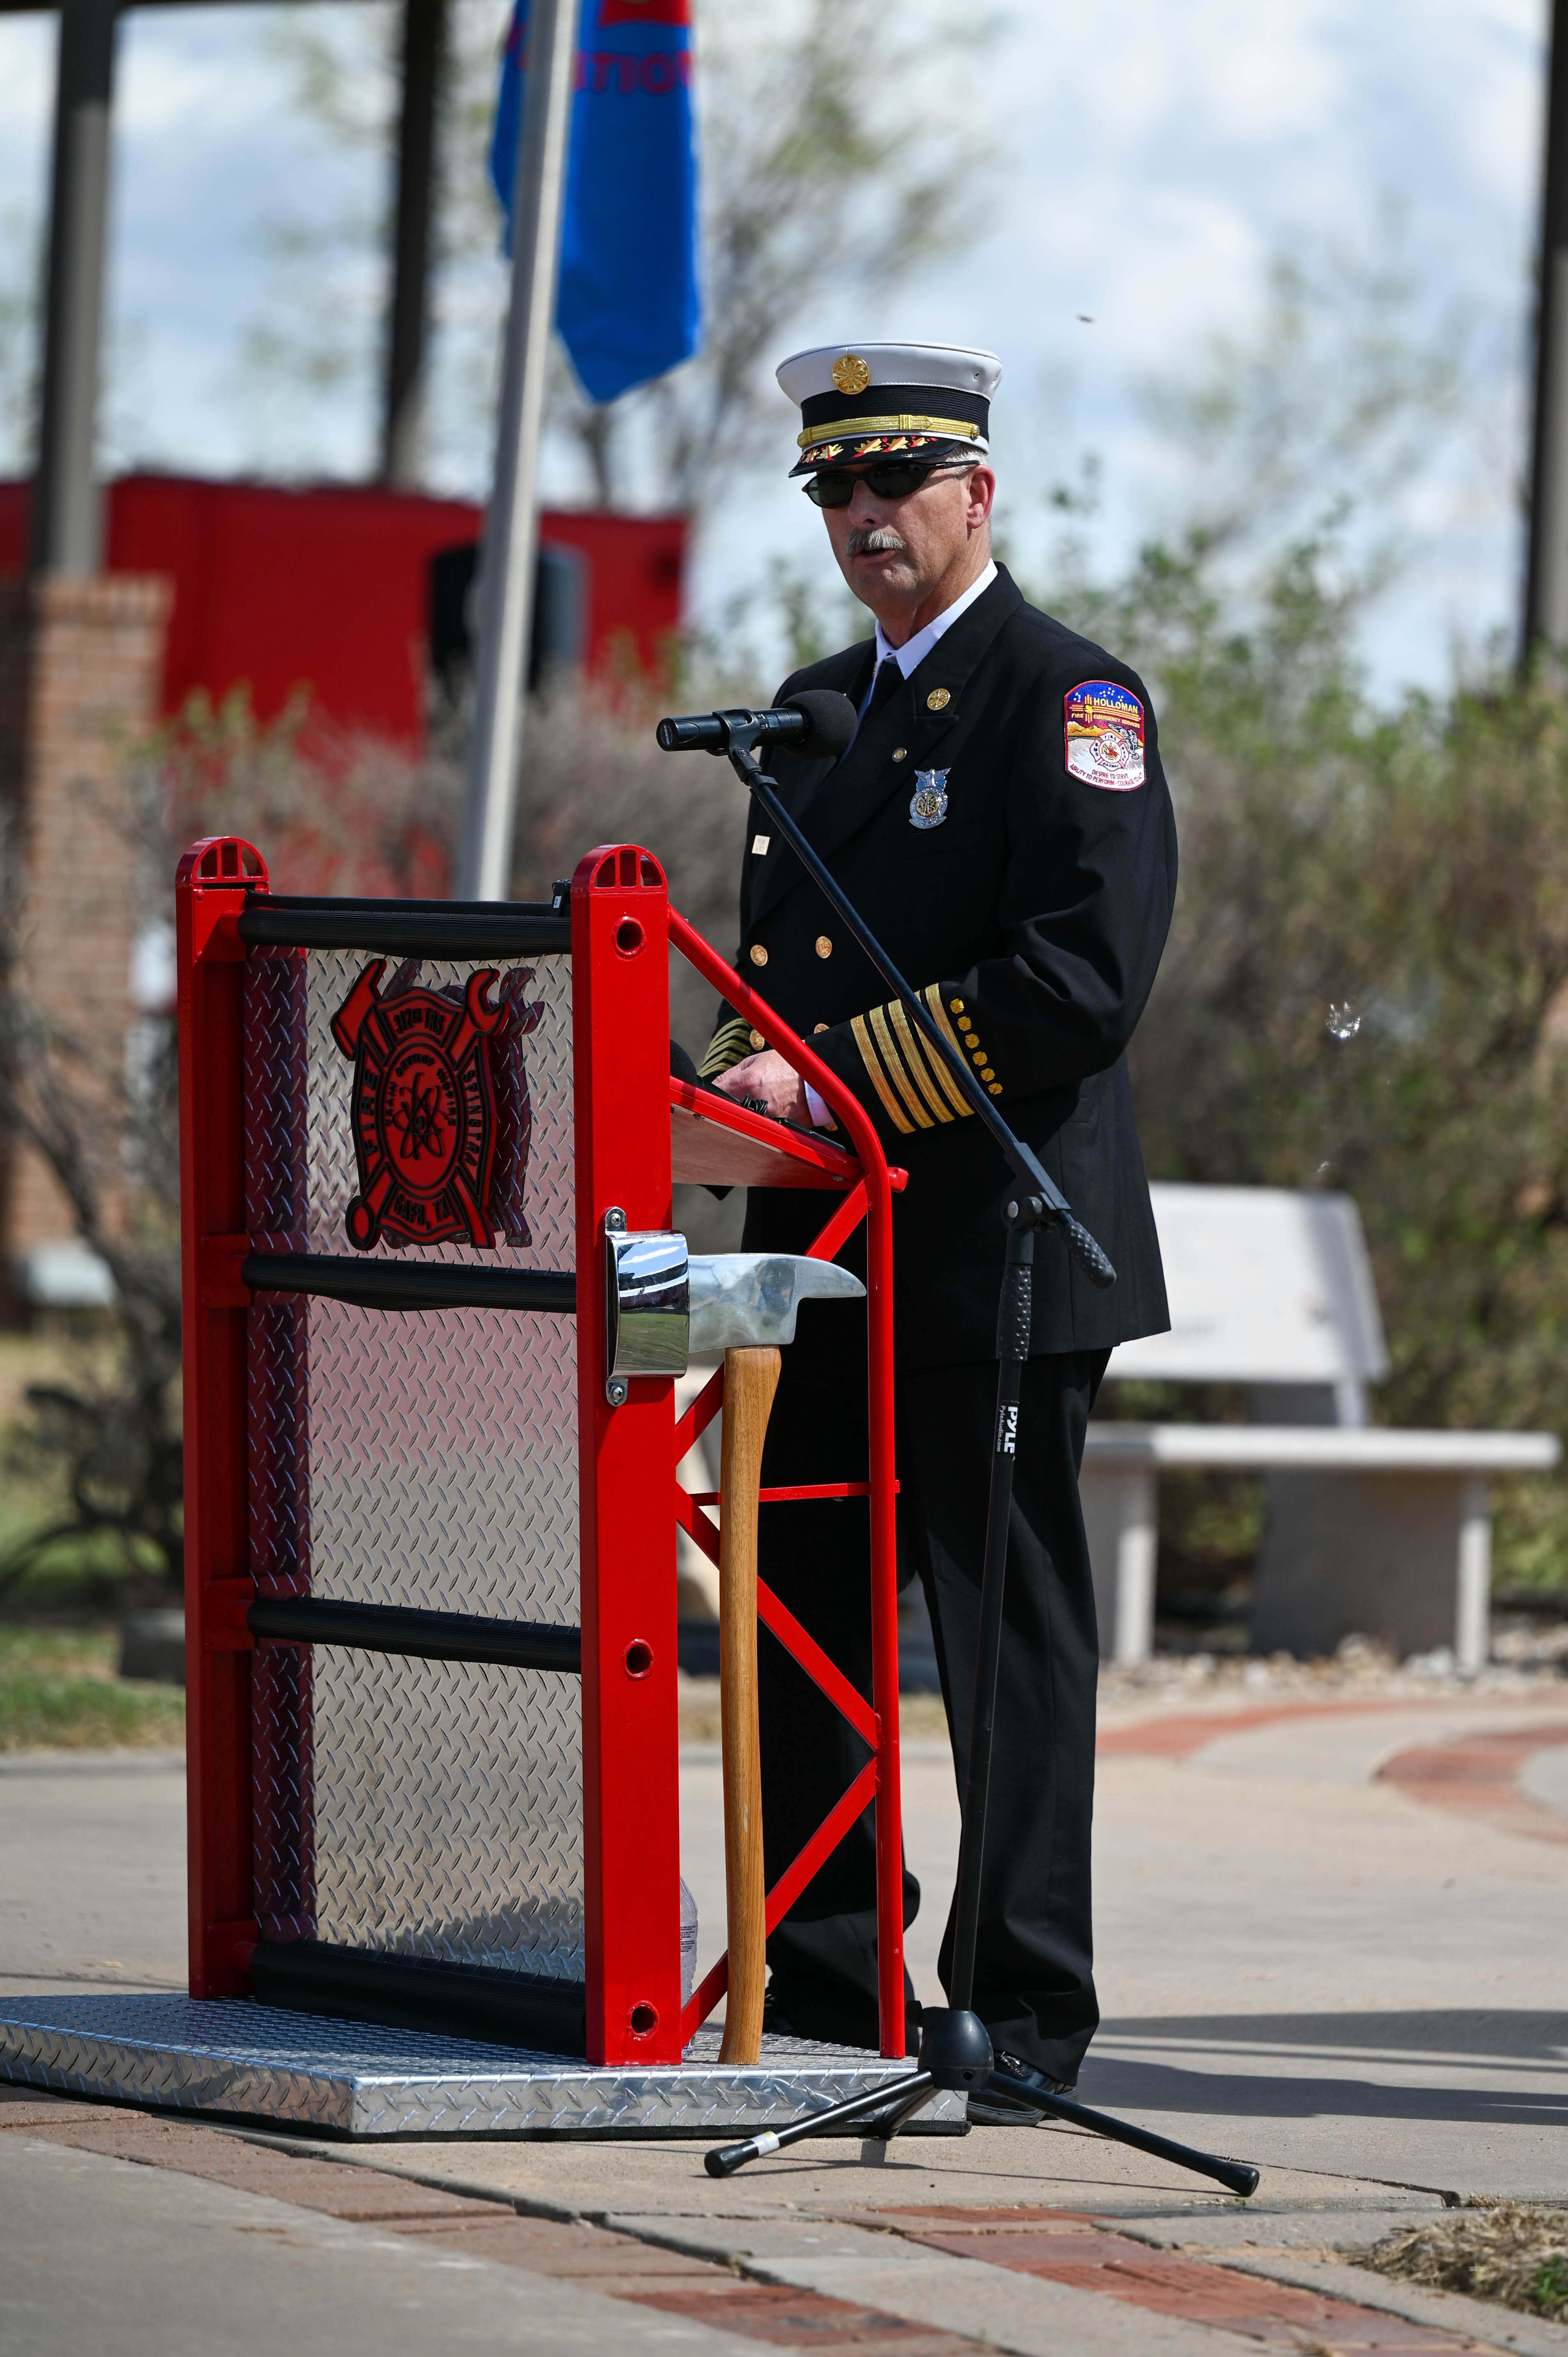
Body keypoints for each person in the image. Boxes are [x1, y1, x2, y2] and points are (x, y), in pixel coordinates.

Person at [698, 341, 1176, 2116]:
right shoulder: (816, 711)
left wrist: (837, 1087)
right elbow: (777, 977)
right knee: (802, 1609)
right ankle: (823, 1990)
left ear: (978, 492)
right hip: (835, 1254)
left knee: (1003, 1649)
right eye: (830, 490)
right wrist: (741, 1065)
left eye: (893, 483)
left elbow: (1078, 980)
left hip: (996, 1251)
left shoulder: (1069, 699)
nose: (860, 518)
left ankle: (1019, 2017)